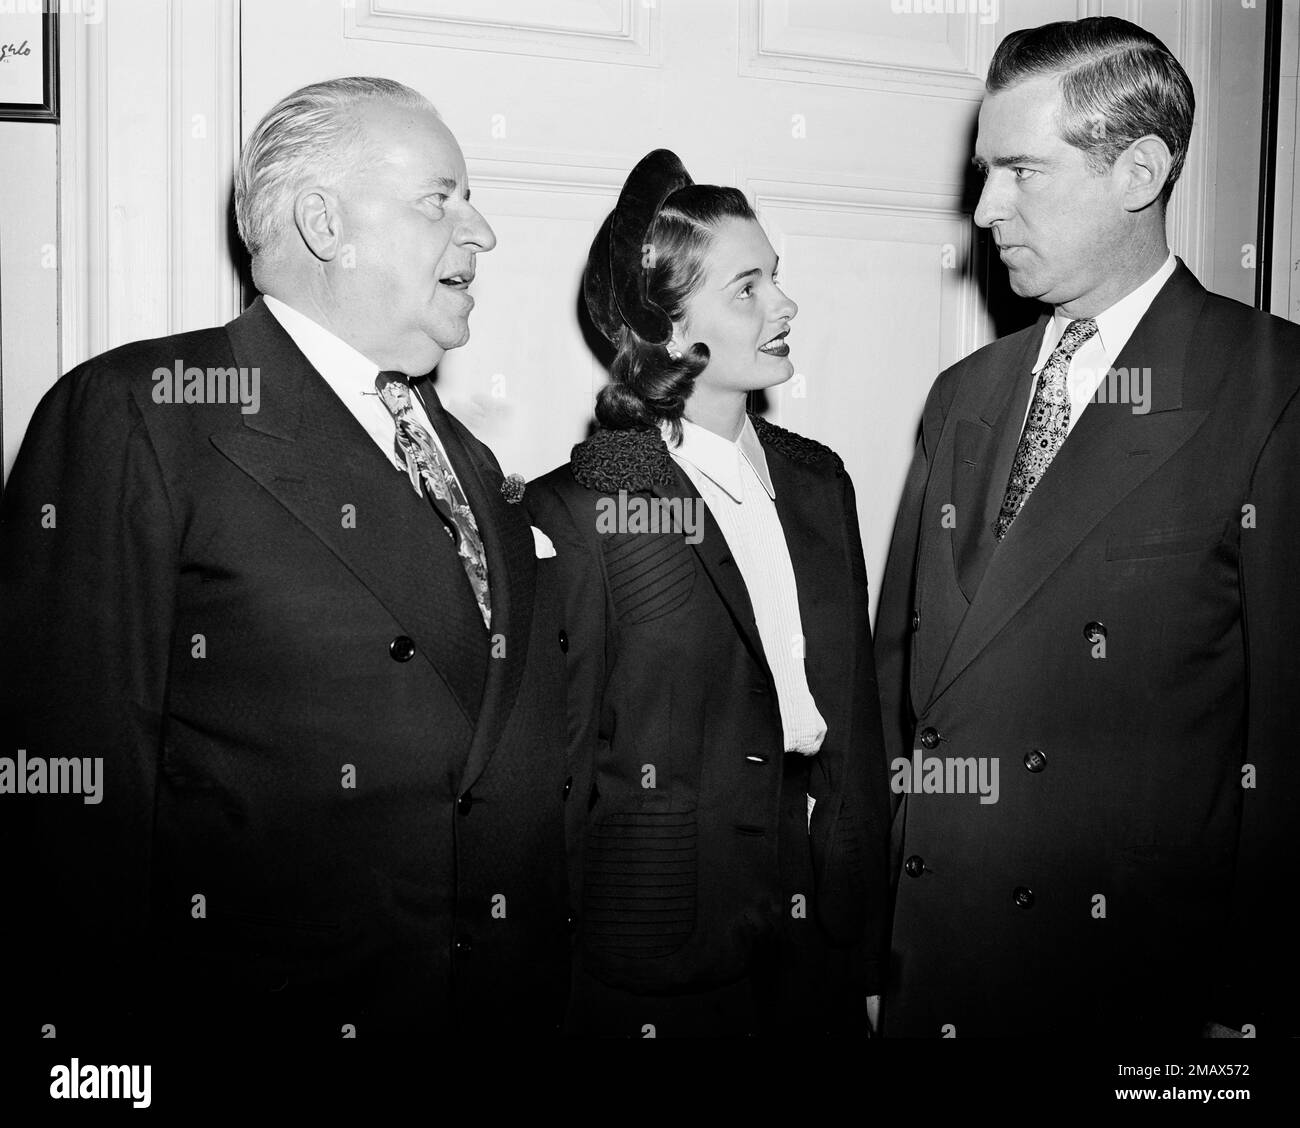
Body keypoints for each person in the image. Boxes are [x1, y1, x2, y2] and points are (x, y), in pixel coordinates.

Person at [0, 77, 570, 1042]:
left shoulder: (467, 461)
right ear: (322, 222)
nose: (482, 233)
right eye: (442, 198)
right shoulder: (145, 412)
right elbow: (62, 822)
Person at [875, 17, 1300, 1037]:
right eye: (986, 172)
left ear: (1139, 170)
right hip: (934, 959)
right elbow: (897, 682)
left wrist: (1247, 1008)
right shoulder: (962, 395)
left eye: (1021, 171)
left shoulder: (1271, 388)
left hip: (1129, 985)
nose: (984, 210)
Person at [527, 150, 891, 1036]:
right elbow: (558, 776)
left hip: (812, 946)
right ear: (667, 325)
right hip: (659, 959)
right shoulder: (588, 504)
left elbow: (856, 728)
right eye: (748, 287)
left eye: (778, 278)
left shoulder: (819, 483)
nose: (784, 305)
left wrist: (865, 939)